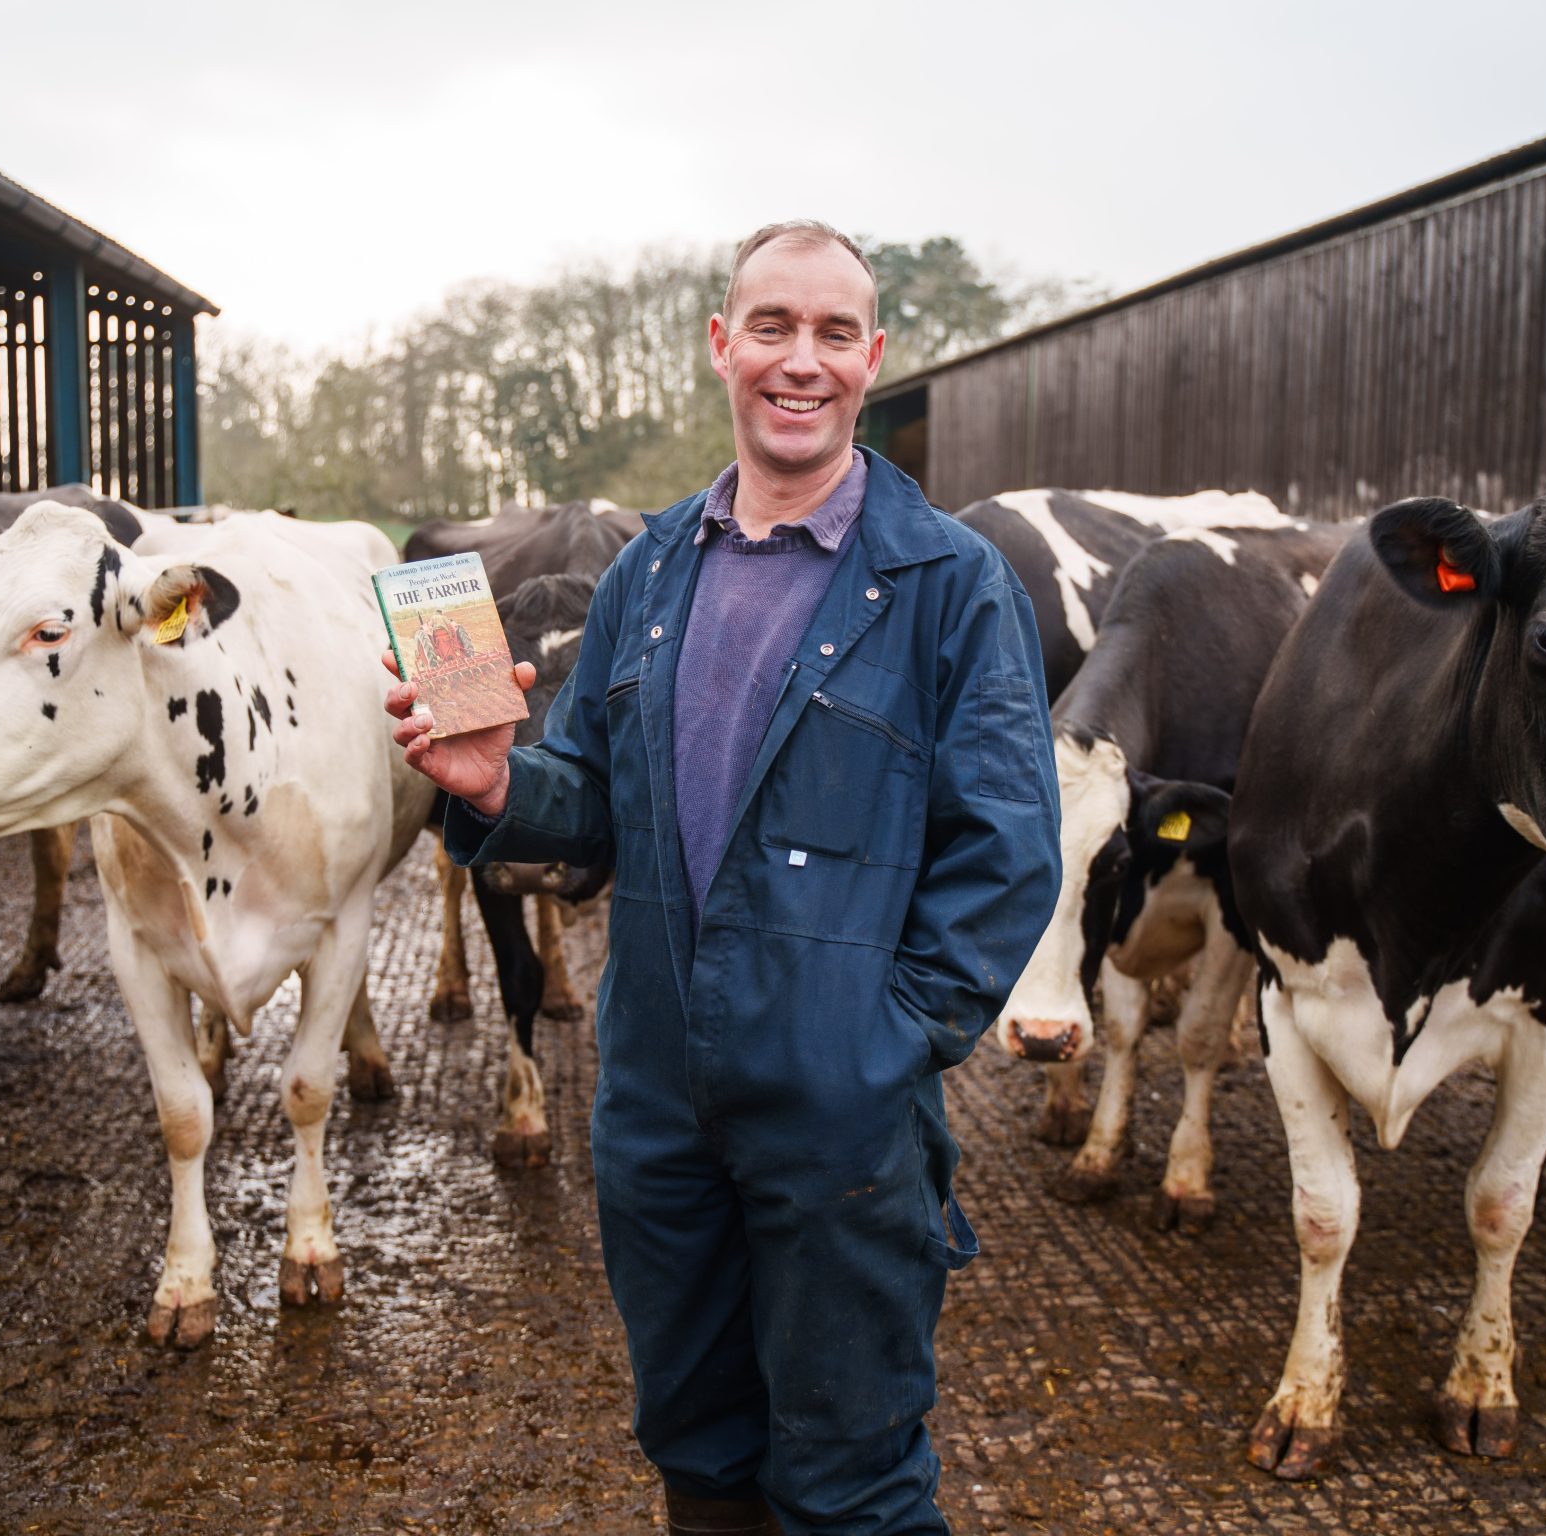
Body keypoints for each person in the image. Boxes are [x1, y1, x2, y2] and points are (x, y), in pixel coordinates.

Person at [385, 220, 1061, 1535]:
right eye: (771, 328)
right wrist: (494, 781)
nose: (798, 362)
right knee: (696, 1451)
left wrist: (875, 1046)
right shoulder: (648, 574)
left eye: (830, 334)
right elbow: (587, 797)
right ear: (721, 347)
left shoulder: (953, 585)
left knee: (850, 1480)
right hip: (658, 1110)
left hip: (841, 1120)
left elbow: (1006, 853)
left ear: (873, 358)